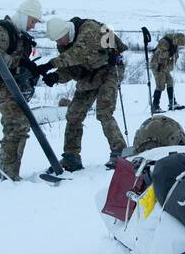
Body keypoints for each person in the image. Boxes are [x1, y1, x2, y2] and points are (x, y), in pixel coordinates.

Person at [41, 17, 127, 171]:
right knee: (74, 114)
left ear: (66, 31)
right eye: (57, 41)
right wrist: (56, 76)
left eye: (60, 39)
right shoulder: (64, 44)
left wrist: (50, 64)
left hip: (110, 69)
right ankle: (71, 157)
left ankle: (120, 152)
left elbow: (78, 54)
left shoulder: (89, 29)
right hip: (90, 74)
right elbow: (72, 68)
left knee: (104, 112)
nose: (60, 43)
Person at [0, 0, 43, 180]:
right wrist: (18, 62)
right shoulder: (3, 31)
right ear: (25, 15)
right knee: (17, 125)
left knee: (17, 126)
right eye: (33, 21)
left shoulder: (18, 34)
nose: (33, 26)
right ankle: (8, 175)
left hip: (12, 85)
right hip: (1, 85)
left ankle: (10, 173)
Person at [150, 32, 185, 112]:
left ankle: (172, 103)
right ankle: (155, 106)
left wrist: (174, 58)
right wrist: (170, 53)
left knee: (170, 81)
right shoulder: (164, 42)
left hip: (164, 66)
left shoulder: (174, 44)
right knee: (160, 85)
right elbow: (160, 55)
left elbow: (175, 56)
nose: (178, 46)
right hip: (157, 66)